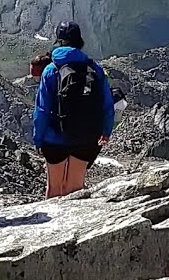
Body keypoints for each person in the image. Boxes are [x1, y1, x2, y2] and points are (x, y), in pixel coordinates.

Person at [34, 22, 115, 197]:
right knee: (75, 188)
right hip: (86, 137)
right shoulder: (95, 68)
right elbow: (107, 105)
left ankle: (53, 216)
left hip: (55, 138)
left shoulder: (50, 70)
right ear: (79, 41)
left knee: (54, 189)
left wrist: (38, 140)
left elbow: (42, 110)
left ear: (58, 41)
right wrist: (106, 131)